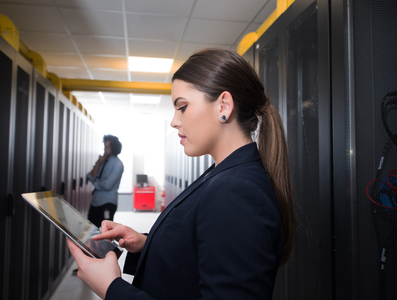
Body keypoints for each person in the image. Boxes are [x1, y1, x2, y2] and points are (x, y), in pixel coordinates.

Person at [67, 48, 295, 299]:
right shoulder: (222, 174)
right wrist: (145, 244)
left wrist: (112, 288)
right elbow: (198, 252)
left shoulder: (236, 189)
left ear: (224, 105)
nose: (174, 121)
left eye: (182, 107)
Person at [87, 134, 124, 228]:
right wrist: (98, 162)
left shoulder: (118, 164)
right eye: (104, 146)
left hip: (107, 203)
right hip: (95, 201)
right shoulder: (103, 161)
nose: (104, 149)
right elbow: (91, 176)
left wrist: (95, 183)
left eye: (106, 147)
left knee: (105, 232)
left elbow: (107, 185)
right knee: (91, 229)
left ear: (113, 148)